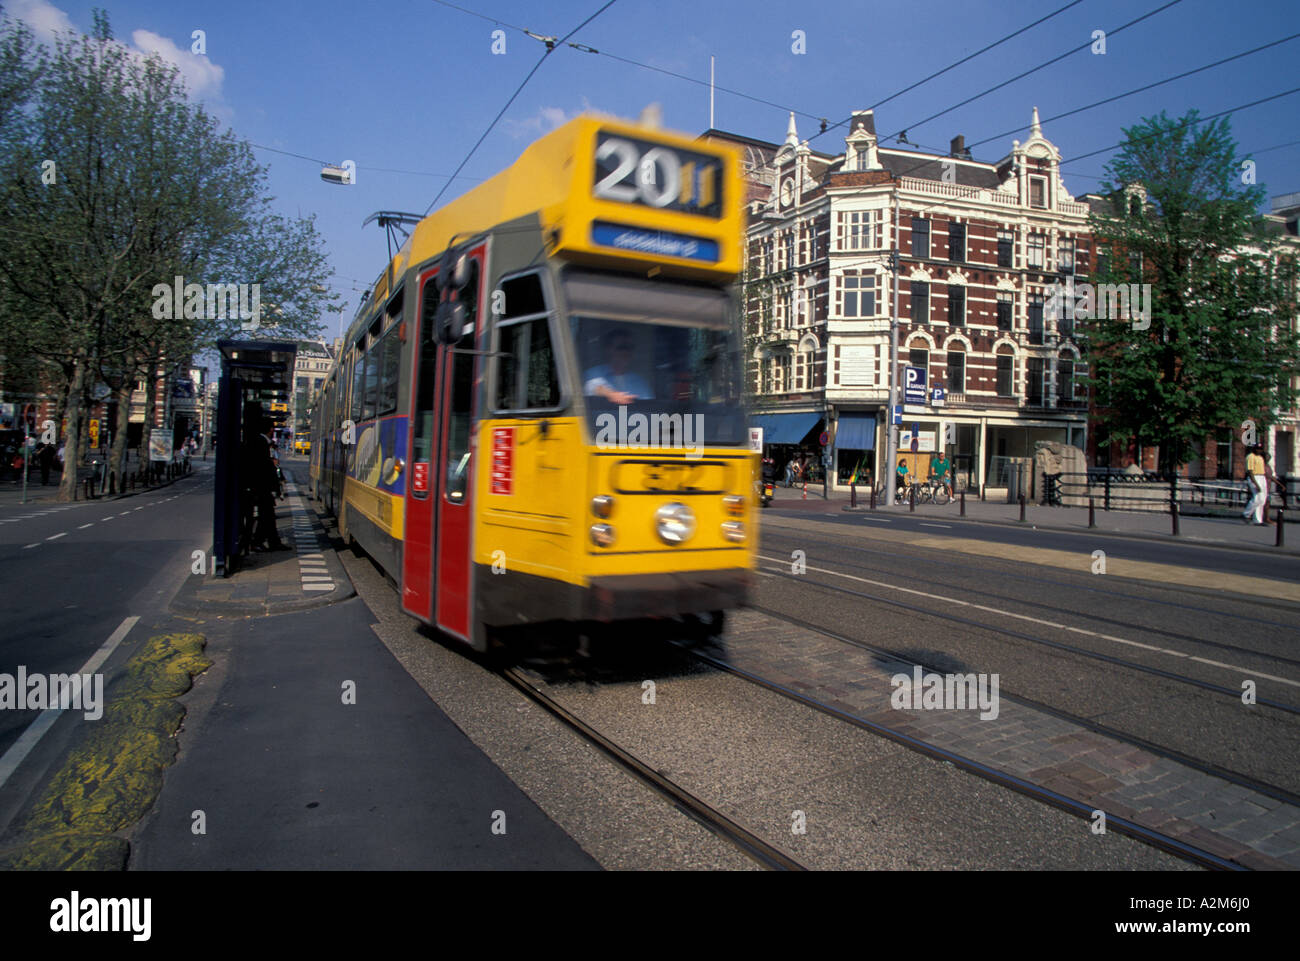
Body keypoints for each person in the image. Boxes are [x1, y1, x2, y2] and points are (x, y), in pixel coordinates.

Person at [583, 329, 653, 403]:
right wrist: (611, 395)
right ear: (608, 349)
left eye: (630, 348)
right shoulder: (594, 374)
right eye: (622, 347)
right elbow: (591, 387)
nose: (626, 352)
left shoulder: (640, 382)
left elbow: (650, 407)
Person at [1243, 445, 1267, 525]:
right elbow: (1250, 471)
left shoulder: (1260, 457)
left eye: (1260, 449)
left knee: (1262, 500)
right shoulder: (1250, 457)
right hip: (1254, 477)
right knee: (1257, 498)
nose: (1259, 450)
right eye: (1257, 449)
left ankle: (1258, 520)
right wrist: (1256, 484)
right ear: (1254, 449)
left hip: (1261, 476)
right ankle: (1246, 514)